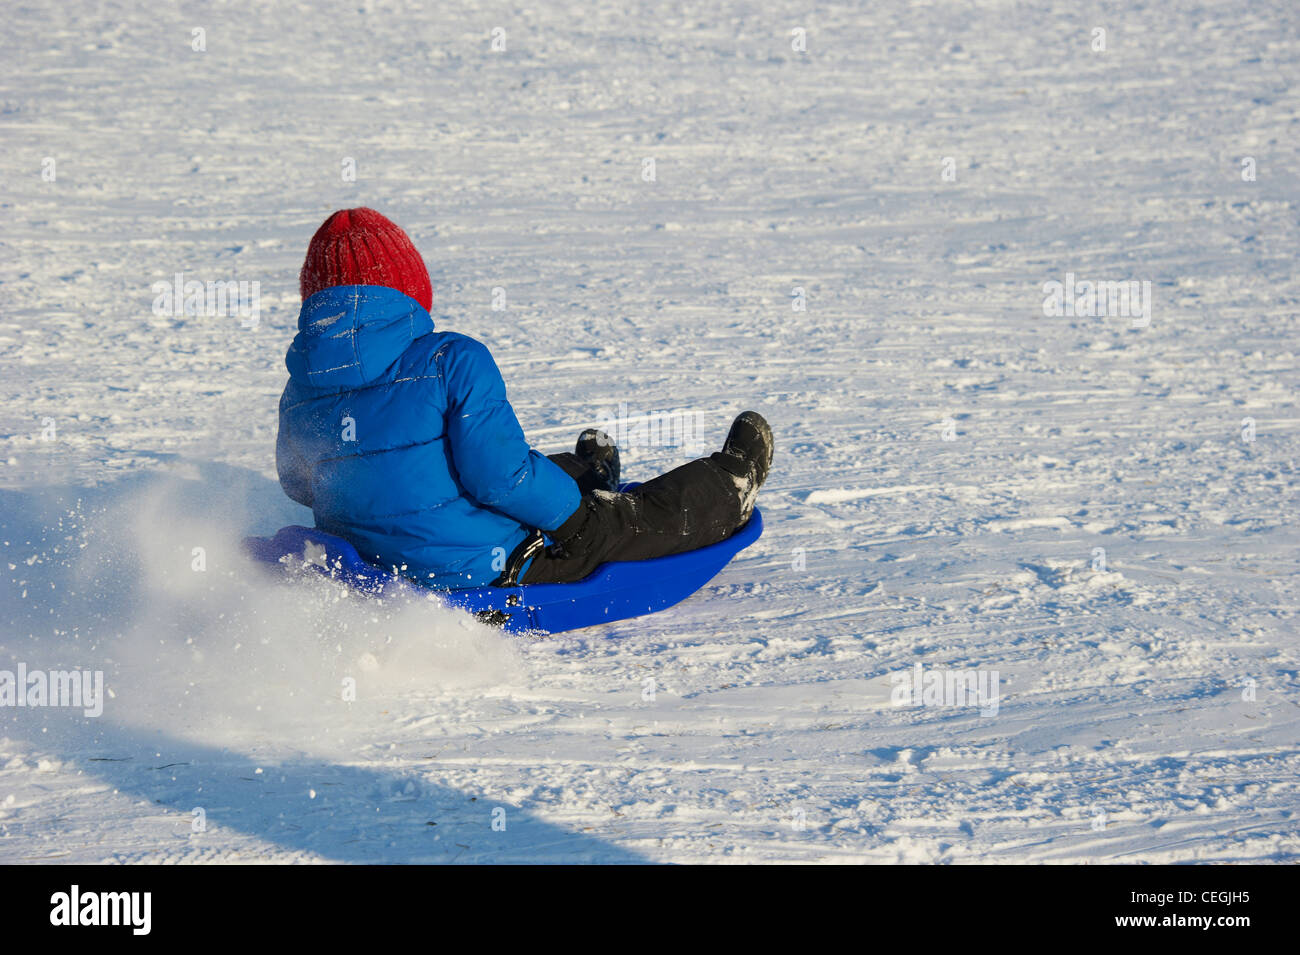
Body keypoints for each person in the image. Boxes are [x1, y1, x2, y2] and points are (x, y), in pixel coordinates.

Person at [276, 207, 773, 588]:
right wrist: (578, 522)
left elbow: (299, 485)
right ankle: (728, 483)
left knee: (467, 466)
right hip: (486, 567)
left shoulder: (299, 389)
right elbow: (499, 478)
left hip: (386, 566)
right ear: (409, 288)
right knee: (627, 521)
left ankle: (586, 477)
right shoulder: (452, 358)